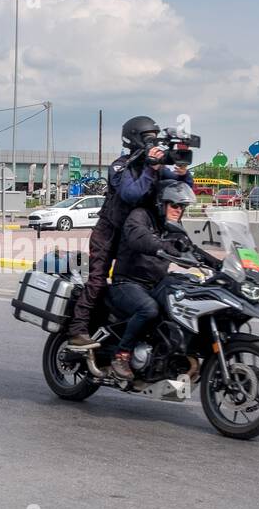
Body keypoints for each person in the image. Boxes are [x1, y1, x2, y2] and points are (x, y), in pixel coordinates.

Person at [66, 116, 193, 350]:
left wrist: (182, 170)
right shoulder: (121, 165)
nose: (153, 142)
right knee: (97, 280)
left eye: (155, 137)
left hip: (131, 234)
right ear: (134, 137)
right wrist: (150, 168)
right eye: (148, 137)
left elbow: (181, 185)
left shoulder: (154, 167)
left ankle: (122, 330)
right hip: (109, 234)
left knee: (135, 285)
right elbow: (130, 194)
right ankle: (78, 329)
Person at [104, 180, 195, 378]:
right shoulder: (140, 216)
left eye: (182, 206)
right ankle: (122, 354)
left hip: (155, 284)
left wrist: (218, 265)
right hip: (126, 283)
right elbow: (141, 238)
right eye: (175, 205)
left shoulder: (174, 227)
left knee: (185, 300)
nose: (178, 210)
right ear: (161, 203)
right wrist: (166, 247)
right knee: (149, 309)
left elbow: (190, 250)